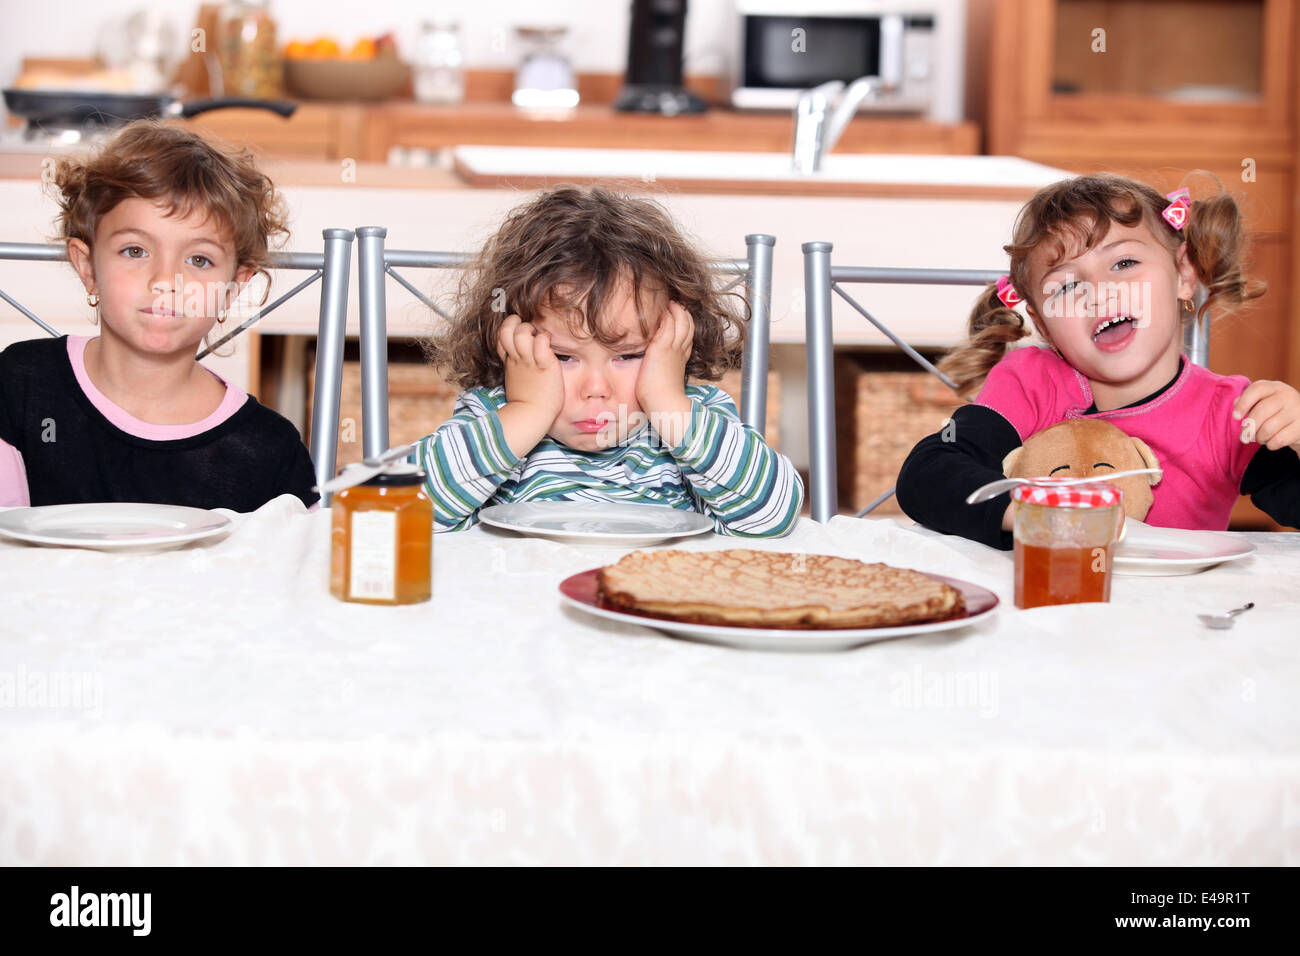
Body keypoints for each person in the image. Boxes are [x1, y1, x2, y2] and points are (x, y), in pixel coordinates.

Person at [896, 172, 1300, 548]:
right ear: (1043, 323)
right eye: (1067, 285)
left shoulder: (1230, 413)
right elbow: (929, 474)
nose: (1099, 292)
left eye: (1124, 263)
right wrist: (1040, 515)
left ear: (1184, 274)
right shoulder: (1032, 382)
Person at [414, 185, 803, 535]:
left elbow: (775, 515)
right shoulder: (492, 417)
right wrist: (528, 410)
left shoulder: (694, 419)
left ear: (676, 343)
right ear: (511, 344)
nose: (596, 389)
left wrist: (668, 403)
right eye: (564, 356)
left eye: (629, 355)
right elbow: (407, 512)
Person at [0, 120, 318, 511]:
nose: (167, 281)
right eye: (135, 251)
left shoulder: (270, 450)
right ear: (87, 268)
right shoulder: (20, 385)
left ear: (232, 289)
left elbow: (292, 567)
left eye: (199, 259)